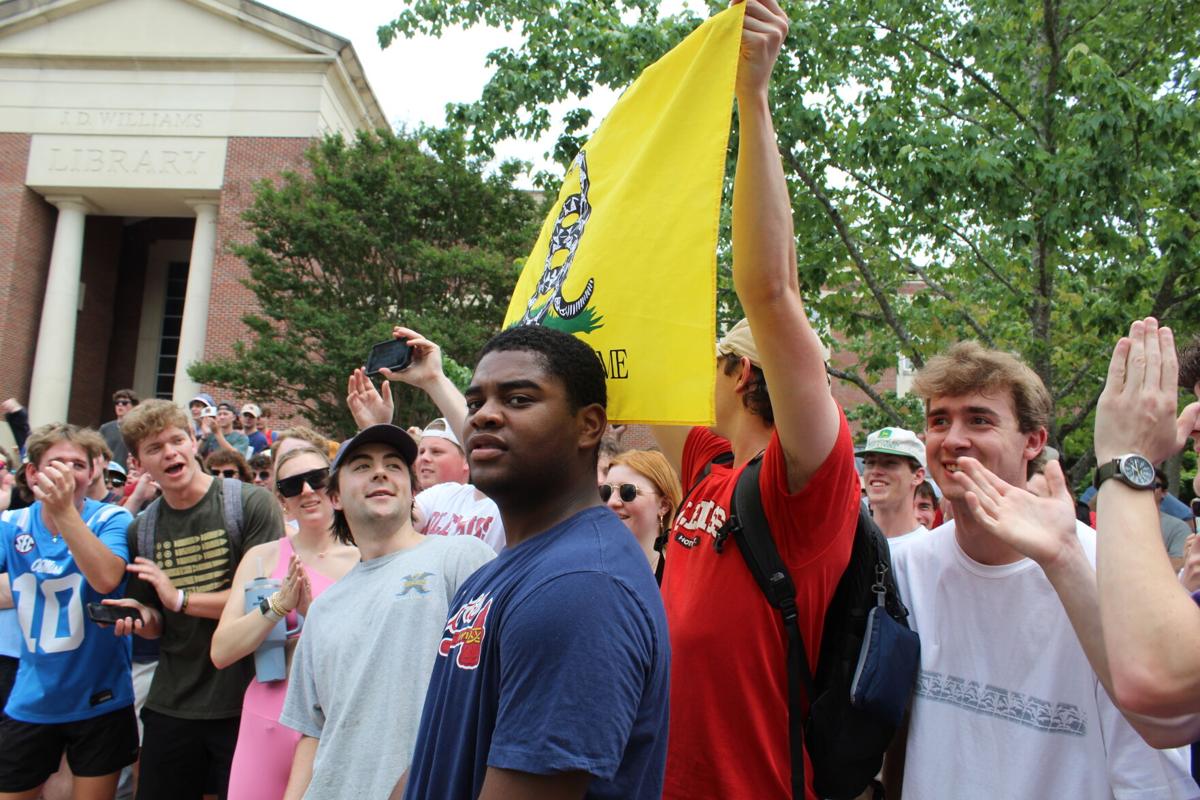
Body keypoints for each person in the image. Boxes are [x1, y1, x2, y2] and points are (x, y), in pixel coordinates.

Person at [642, 4, 859, 798]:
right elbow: (634, 345)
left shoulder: (802, 484)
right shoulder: (710, 465)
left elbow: (771, 290)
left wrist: (751, 100)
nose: (689, 371)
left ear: (740, 372)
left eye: (710, 358)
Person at [884, 337, 1197, 798]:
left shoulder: (1106, 571)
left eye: (979, 420)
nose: (953, 439)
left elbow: (1152, 780)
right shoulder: (905, 567)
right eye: (938, 421)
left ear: (1033, 441)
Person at [401, 325, 671, 799]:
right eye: (475, 402)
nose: (485, 415)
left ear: (589, 425)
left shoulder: (584, 587)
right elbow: (439, 748)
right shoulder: (497, 571)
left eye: (519, 399)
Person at [280, 424, 493, 799]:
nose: (380, 472)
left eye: (394, 465)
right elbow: (313, 732)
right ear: (335, 498)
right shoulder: (324, 608)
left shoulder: (460, 556)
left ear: (412, 489)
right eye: (361, 466)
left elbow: (497, 688)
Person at [103, 399, 284, 800]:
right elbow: (156, 615)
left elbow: (265, 601)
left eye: (177, 440)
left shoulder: (249, 504)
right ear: (138, 463)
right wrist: (140, 617)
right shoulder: (142, 529)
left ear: (193, 442)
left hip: (245, 699)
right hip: (173, 700)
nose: (169, 452)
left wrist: (181, 598)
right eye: (154, 448)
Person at [212, 446, 359, 800]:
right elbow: (221, 651)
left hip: (333, 723)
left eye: (317, 479)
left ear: (335, 485)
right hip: (266, 718)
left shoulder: (365, 556)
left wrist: (311, 612)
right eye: (293, 485)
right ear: (282, 499)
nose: (307, 491)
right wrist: (277, 605)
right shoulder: (262, 557)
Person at [0, 424, 137, 800]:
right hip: (33, 693)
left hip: (101, 695)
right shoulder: (12, 524)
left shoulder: (111, 518)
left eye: (78, 464)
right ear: (32, 473)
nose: (67, 472)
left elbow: (107, 577)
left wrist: (64, 513)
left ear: (93, 472)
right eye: (56, 463)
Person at [347, 329, 506, 554]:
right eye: (421, 451)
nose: (423, 459)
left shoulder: (513, 502)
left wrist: (434, 379)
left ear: (465, 460)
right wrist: (376, 432)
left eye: (437, 452)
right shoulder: (441, 496)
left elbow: (475, 439)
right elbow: (388, 527)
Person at [601, 449, 682, 574]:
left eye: (627, 491)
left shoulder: (681, 576)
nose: (611, 502)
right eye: (606, 491)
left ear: (664, 505)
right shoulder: (592, 567)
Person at [858, 426, 927, 538]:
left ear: (918, 476)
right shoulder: (850, 544)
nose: (875, 471)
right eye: (870, 462)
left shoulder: (930, 548)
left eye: (889, 463)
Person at [1154, 468, 1192, 571]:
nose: (1148, 489)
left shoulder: (1178, 527)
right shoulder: (1114, 522)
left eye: (1155, 486)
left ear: (1164, 493)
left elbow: (1179, 563)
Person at [100, 389, 138, 471]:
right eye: (117, 403)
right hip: (108, 473)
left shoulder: (137, 428)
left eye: (124, 403)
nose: (120, 405)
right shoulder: (105, 428)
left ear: (134, 406)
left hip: (129, 475)